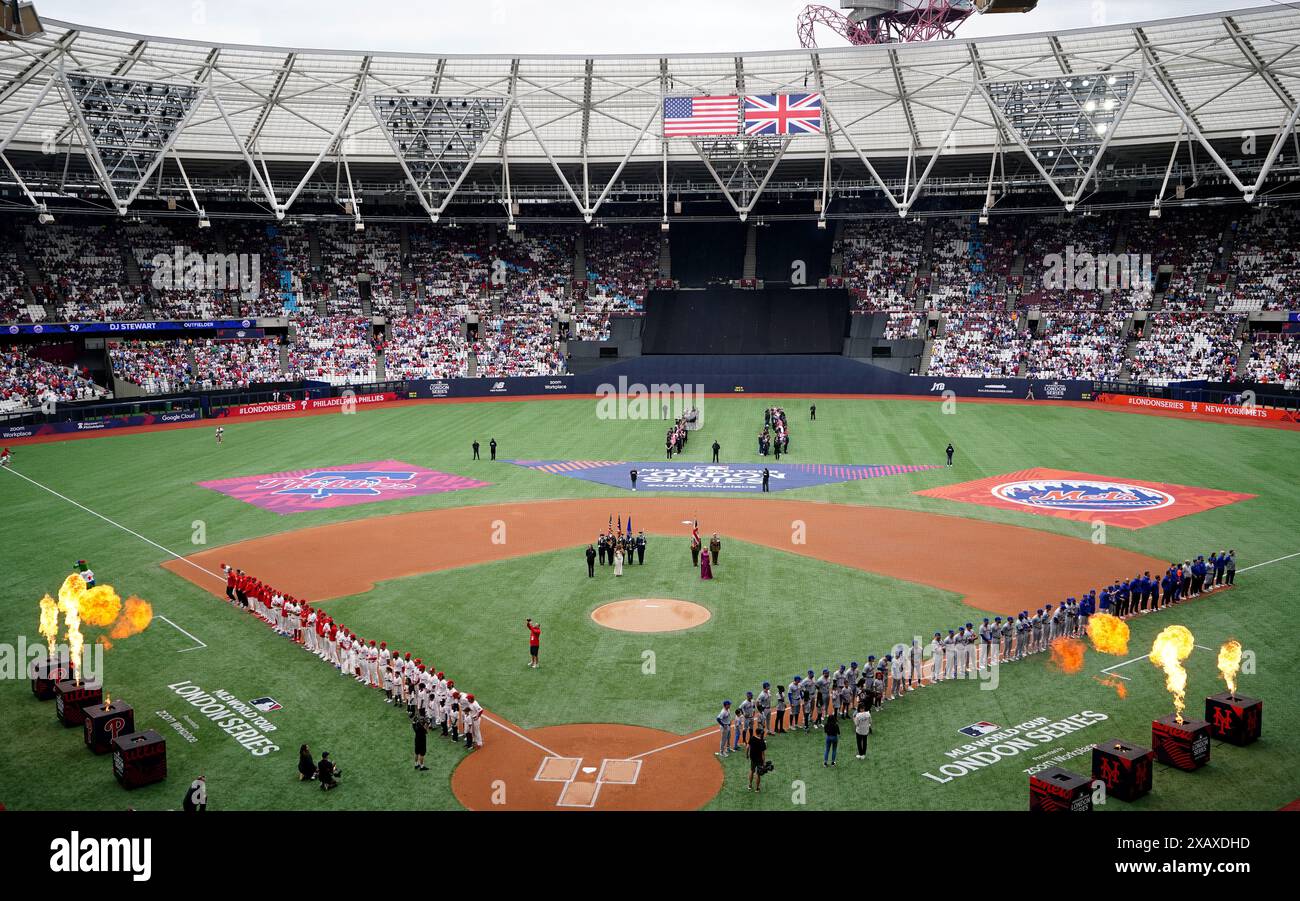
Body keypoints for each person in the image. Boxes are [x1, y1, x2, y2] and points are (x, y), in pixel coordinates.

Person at [747, 725, 767, 792]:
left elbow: (747, 747)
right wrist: (764, 762)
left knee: (752, 770)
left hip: (752, 757)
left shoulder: (752, 738)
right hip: (759, 759)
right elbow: (763, 754)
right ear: (760, 733)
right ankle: (757, 788)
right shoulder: (762, 742)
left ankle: (750, 785)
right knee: (758, 773)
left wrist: (747, 754)